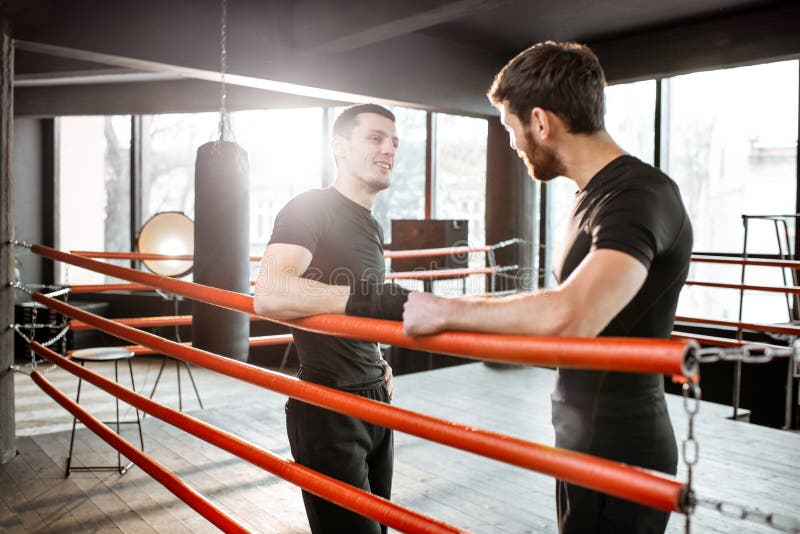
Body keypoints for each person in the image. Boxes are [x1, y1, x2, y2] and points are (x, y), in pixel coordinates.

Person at [402, 41, 692, 534]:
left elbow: (574, 314)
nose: (512, 143)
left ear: (540, 121)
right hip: (583, 437)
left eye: (509, 127)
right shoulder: (590, 197)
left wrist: (445, 309)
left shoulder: (640, 195)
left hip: (624, 448)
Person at [254, 104, 410, 534]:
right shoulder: (310, 208)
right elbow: (269, 293)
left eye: (394, 141)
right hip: (329, 405)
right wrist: (373, 300)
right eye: (375, 138)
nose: (389, 149)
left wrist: (378, 362)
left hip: (376, 398)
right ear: (339, 147)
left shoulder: (369, 225)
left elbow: (347, 308)